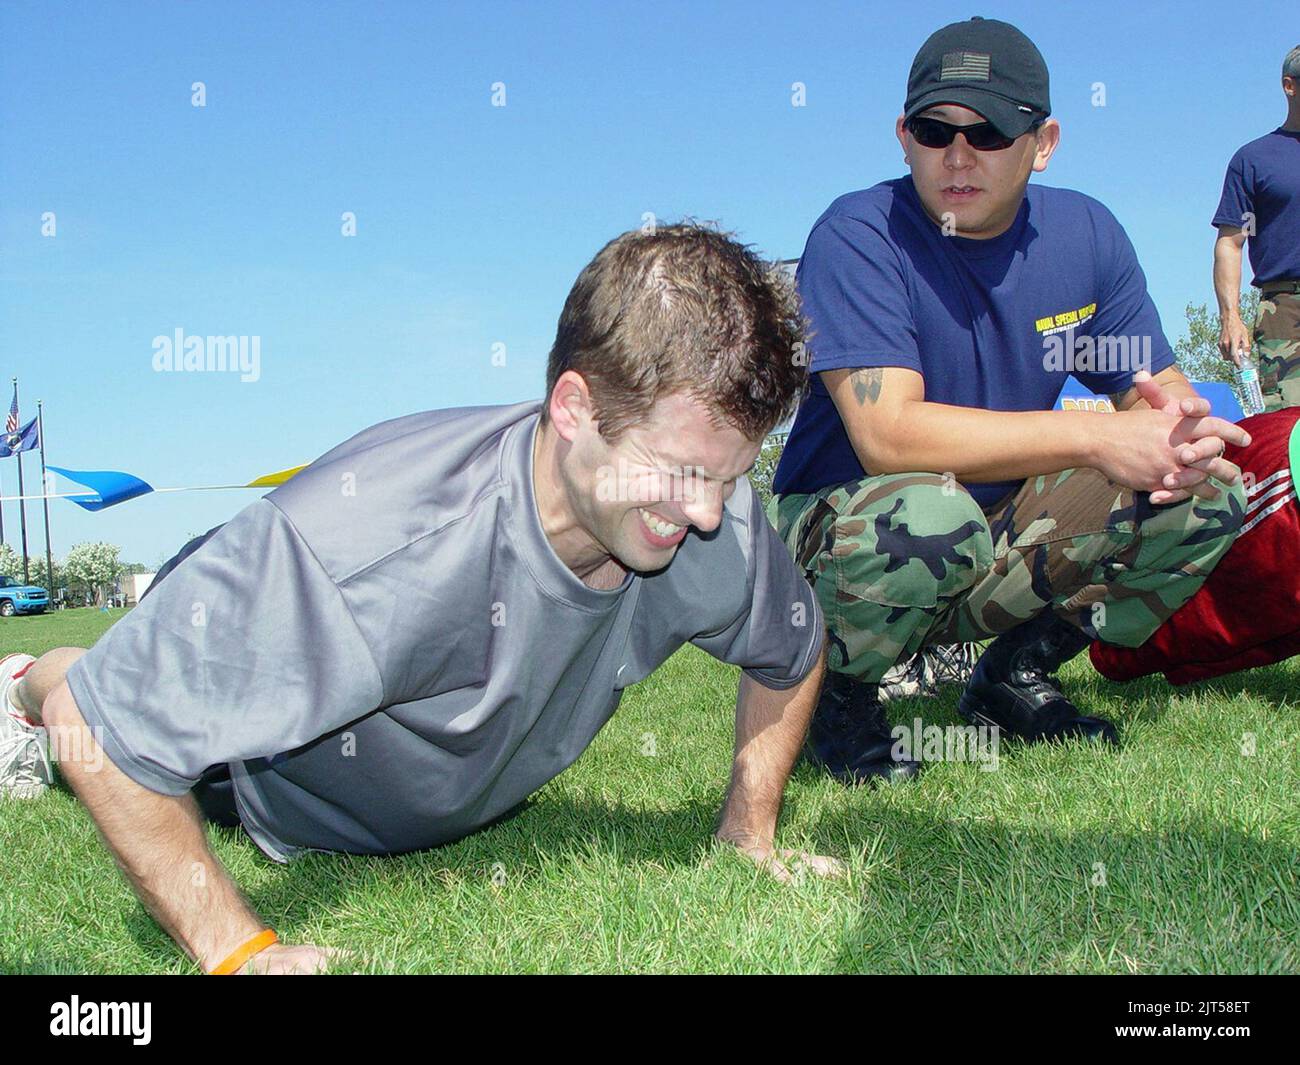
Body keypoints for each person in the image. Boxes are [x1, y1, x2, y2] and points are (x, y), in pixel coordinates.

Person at [0, 223, 835, 975]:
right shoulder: (371, 550)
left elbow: (793, 648)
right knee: (93, 688)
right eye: (681, 472)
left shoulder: (712, 517)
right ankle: (24, 679)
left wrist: (748, 830)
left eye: (728, 476)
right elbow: (102, 728)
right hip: (258, 768)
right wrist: (238, 950)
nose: (706, 512)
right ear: (575, 408)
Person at [769, 17, 1250, 786]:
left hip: (992, 522)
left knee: (1204, 492)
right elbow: (888, 436)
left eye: (989, 132)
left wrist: (1181, 433)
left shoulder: (1086, 235)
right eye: (935, 131)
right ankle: (837, 693)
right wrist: (1096, 437)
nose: (959, 156)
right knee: (930, 515)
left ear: (1044, 142)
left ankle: (1014, 675)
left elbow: (1157, 392)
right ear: (903, 137)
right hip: (846, 527)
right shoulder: (859, 235)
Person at [1212, 45, 1300, 411]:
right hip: (1286, 314)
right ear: (1289, 86)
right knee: (1288, 428)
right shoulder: (1254, 159)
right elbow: (1230, 244)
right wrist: (1230, 317)